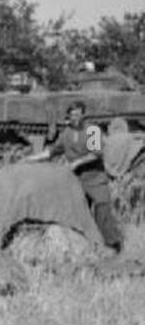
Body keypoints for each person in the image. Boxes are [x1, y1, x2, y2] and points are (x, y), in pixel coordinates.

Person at [27, 102, 123, 253]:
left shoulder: (92, 130)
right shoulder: (66, 133)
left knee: (102, 207)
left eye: (78, 114)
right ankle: (88, 247)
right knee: (78, 213)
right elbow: (51, 152)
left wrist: (77, 162)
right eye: (72, 115)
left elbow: (96, 153)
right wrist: (31, 159)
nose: (75, 118)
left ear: (83, 115)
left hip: (95, 178)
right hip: (76, 180)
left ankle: (112, 245)